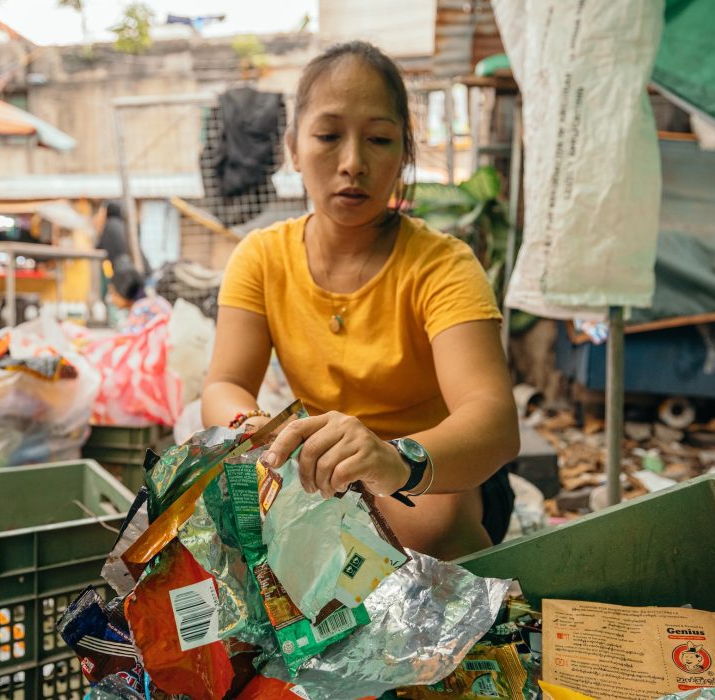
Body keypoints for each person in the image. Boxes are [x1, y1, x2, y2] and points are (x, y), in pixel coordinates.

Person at [201, 41, 519, 561]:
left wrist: (396, 461)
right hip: (325, 473)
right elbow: (224, 384)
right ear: (294, 147)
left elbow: (493, 421)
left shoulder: (443, 265)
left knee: (432, 528)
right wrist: (260, 432)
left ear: (403, 153)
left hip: (436, 472)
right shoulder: (259, 257)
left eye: (378, 139)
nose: (353, 162)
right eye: (328, 136)